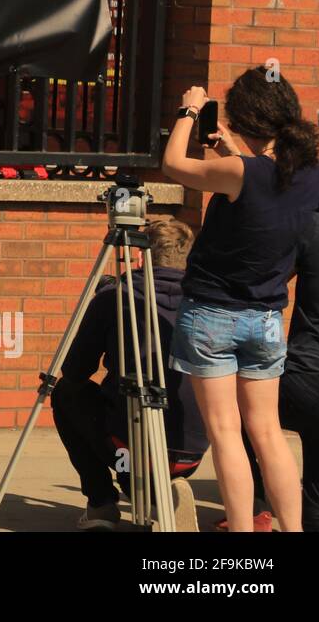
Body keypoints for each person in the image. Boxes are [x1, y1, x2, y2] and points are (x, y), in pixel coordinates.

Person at [160, 67, 319, 532]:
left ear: (247, 118)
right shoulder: (310, 175)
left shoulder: (240, 173)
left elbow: (174, 164)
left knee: (227, 433)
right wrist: (234, 153)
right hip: (268, 318)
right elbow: (268, 189)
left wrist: (189, 110)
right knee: (269, 434)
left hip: (212, 315)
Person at [51, 216, 209, 531]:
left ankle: (102, 504)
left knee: (65, 394)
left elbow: (75, 371)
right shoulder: (207, 301)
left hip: (127, 449)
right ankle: (165, 490)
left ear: (139, 256)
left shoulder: (116, 296)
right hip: (191, 455)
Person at [247, 199, 319, 531]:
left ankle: (256, 503)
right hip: (310, 375)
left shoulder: (313, 228)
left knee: (232, 406)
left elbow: (266, 278)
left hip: (309, 373)